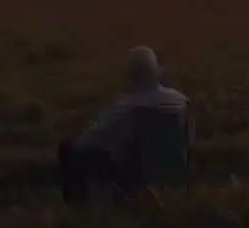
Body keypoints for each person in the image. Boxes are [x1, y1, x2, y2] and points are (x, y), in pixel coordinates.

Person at [57, 45, 190, 204]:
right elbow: (189, 135)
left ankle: (78, 205)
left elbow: (91, 139)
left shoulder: (129, 106)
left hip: (135, 170)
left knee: (69, 150)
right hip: (174, 165)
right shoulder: (181, 100)